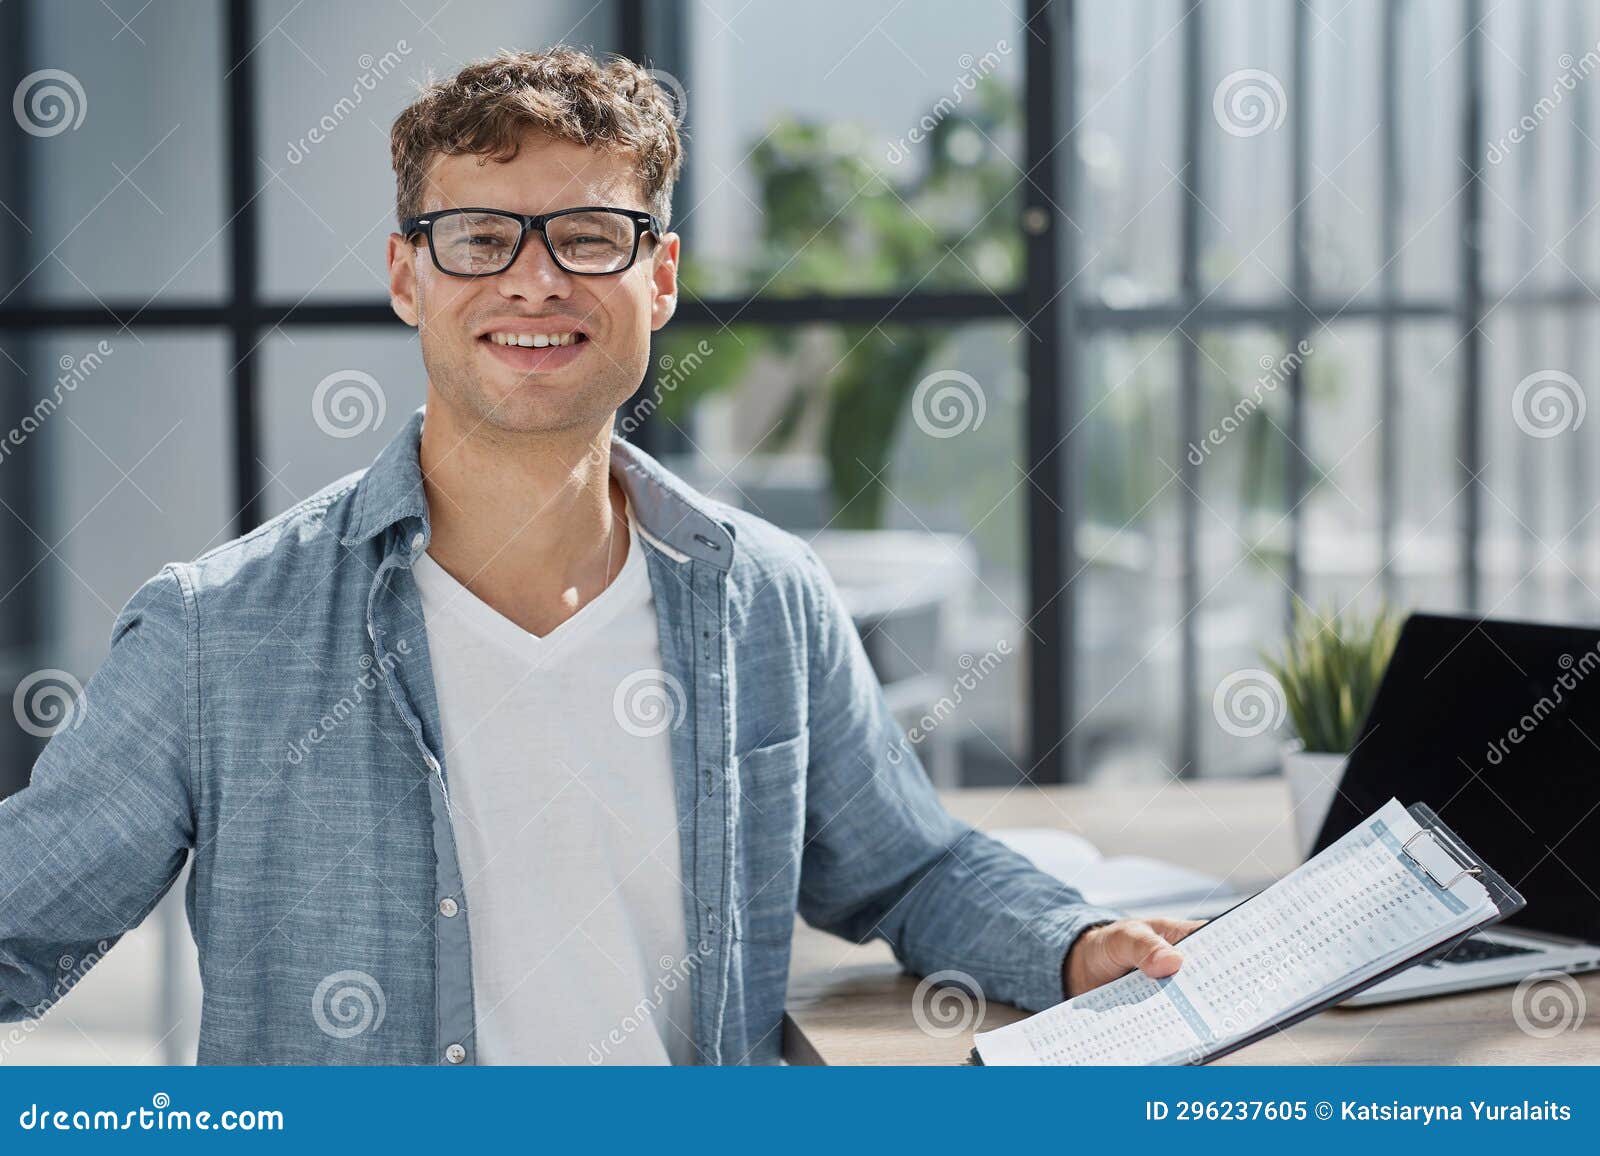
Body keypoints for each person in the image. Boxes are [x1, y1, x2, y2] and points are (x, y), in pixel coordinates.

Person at [0, 47, 1199, 1065]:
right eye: (478, 237)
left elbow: (903, 868)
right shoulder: (221, 632)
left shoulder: (762, 597)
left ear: (659, 277)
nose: (534, 277)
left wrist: (1074, 941)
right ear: (408, 277)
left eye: (588, 235)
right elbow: (21, 927)